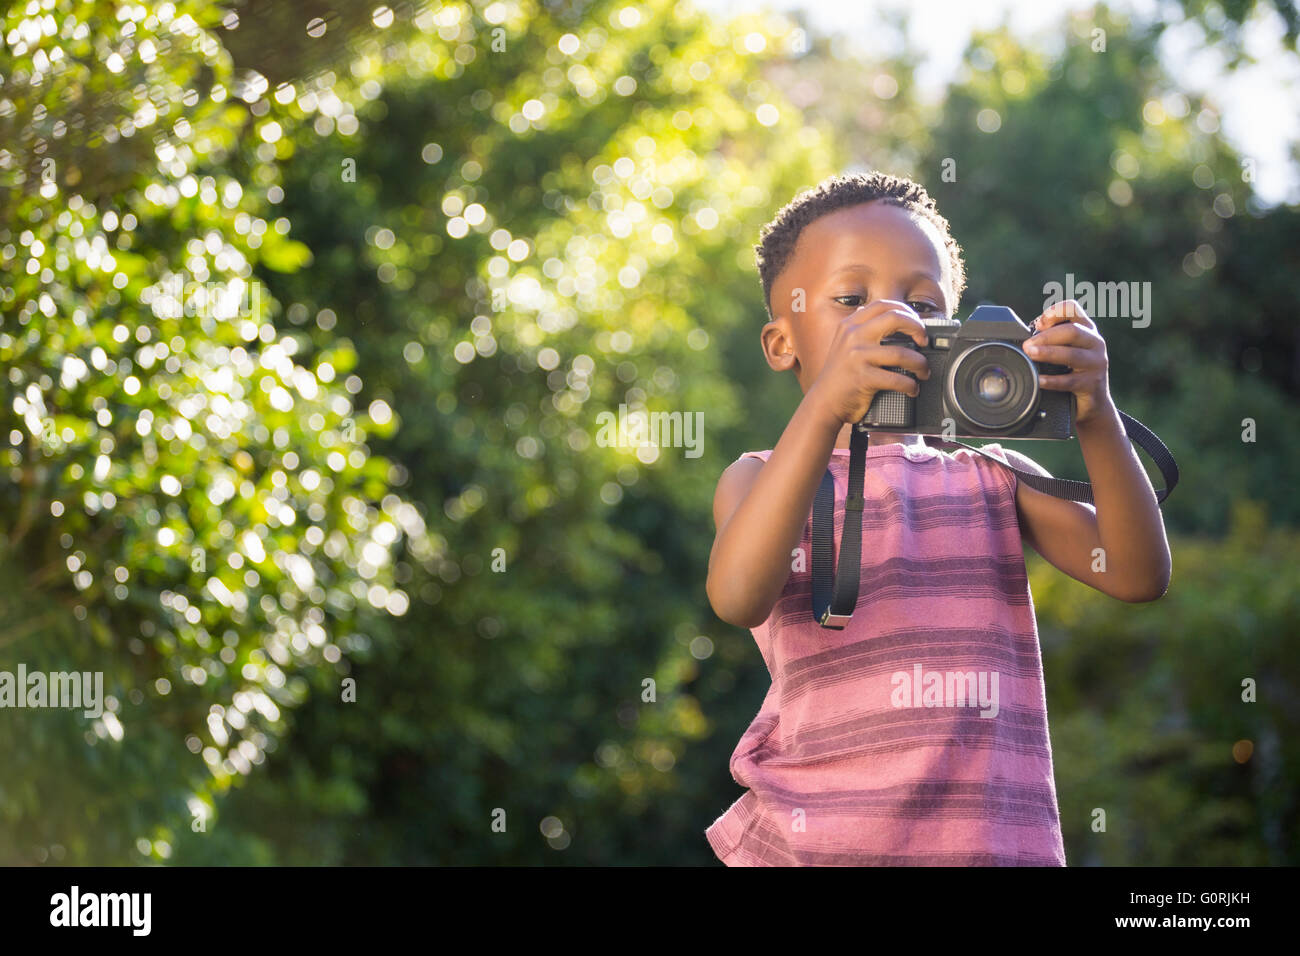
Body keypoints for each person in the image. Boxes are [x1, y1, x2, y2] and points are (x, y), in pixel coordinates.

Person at [703, 171, 1171, 865]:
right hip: (815, 847)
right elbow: (740, 594)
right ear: (781, 344)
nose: (893, 321)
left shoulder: (993, 475)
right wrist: (828, 406)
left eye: (923, 303)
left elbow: (1136, 573)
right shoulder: (763, 478)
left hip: (987, 848)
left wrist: (1097, 415)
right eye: (852, 299)